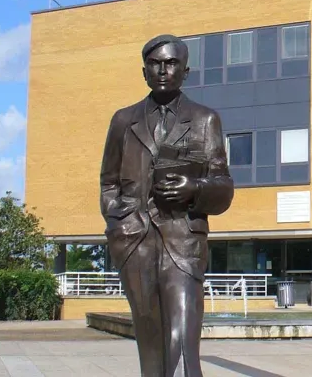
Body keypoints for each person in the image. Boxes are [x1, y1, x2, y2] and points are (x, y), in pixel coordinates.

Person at [100, 34, 235, 376]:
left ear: (185, 71)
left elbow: (224, 187)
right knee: (149, 340)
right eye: (155, 63)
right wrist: (120, 221)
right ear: (144, 71)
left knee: (182, 340)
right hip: (135, 242)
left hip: (183, 243)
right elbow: (109, 181)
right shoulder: (123, 121)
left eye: (171, 63)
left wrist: (195, 187)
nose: (163, 70)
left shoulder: (205, 121)